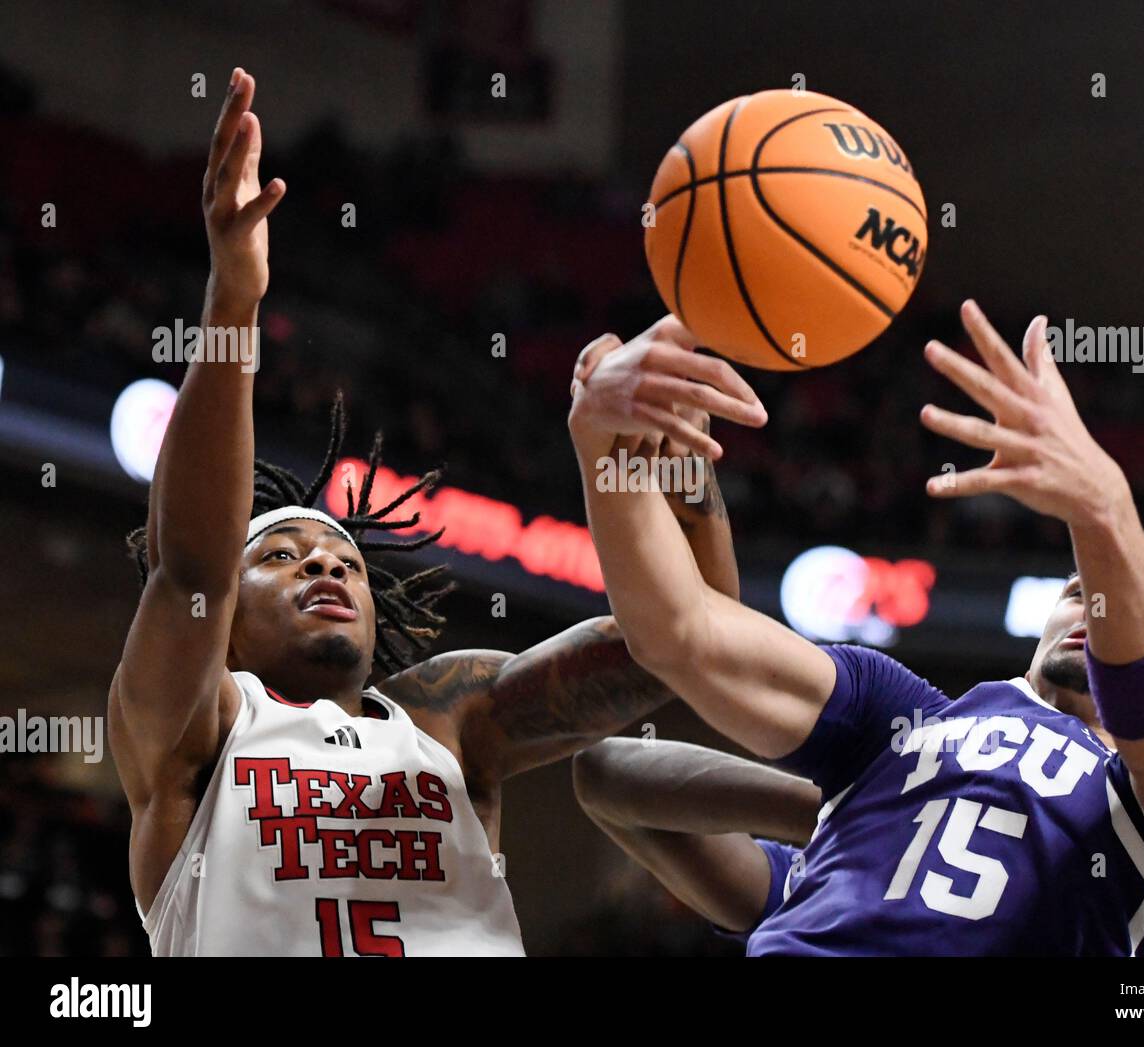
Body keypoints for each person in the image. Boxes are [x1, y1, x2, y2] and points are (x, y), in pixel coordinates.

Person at [108, 69, 738, 957]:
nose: (326, 567)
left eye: (345, 563)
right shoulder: (197, 733)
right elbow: (190, 571)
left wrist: (689, 484)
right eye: (281, 555)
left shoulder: (451, 715)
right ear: (229, 635)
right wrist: (233, 304)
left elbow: (689, 645)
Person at [565, 306, 1144, 955]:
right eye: (1079, 590)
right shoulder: (898, 715)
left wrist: (1103, 510)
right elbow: (681, 633)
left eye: (1139, 601)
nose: (1097, 607)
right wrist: (606, 445)